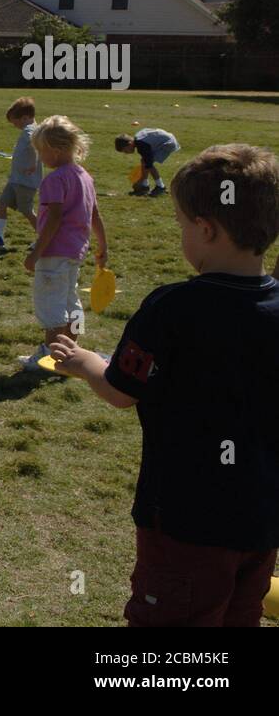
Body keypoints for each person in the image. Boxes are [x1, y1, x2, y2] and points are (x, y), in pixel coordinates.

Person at [50, 144, 279, 626]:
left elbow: (120, 390)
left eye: (180, 224)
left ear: (207, 229)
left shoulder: (171, 309)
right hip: (262, 520)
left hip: (184, 521)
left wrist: (87, 362)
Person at [21, 115, 107, 369]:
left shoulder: (54, 180)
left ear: (55, 151)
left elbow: (54, 218)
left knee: (51, 307)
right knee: (71, 301)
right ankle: (73, 349)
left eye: (41, 152)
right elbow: (95, 215)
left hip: (54, 252)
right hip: (76, 252)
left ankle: (51, 356)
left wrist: (36, 252)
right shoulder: (84, 176)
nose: (40, 158)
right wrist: (103, 247)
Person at [0, 96, 39, 248]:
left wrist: (33, 164)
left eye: (15, 122)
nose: (15, 126)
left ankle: (46, 238)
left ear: (25, 118)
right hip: (15, 179)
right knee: (2, 203)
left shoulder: (30, 131)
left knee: (26, 210)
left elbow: (35, 147)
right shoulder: (29, 129)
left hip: (26, 181)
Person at [117, 127, 180, 197]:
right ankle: (145, 186)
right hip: (167, 139)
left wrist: (140, 180)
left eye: (126, 151)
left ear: (130, 143)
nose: (126, 153)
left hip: (168, 143)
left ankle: (160, 187)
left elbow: (149, 164)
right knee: (145, 161)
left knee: (147, 162)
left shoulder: (141, 145)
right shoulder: (138, 139)